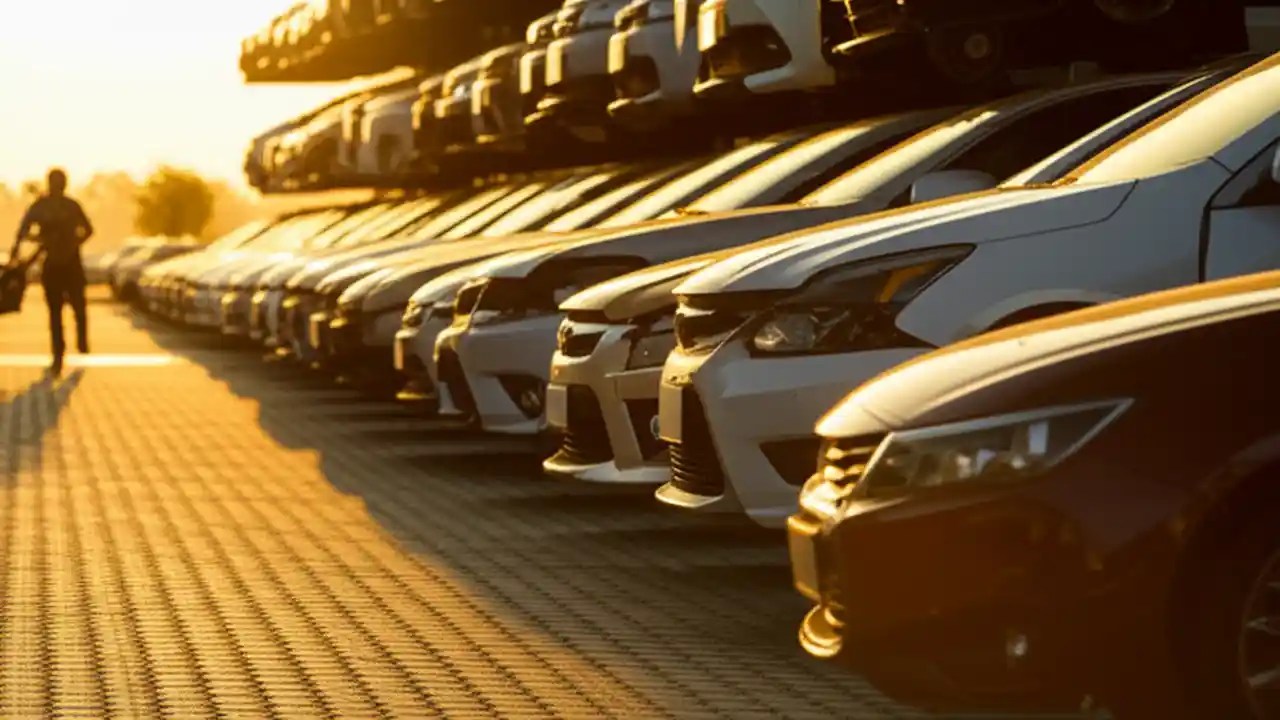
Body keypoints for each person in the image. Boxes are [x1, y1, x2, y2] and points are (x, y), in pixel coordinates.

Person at [11, 169, 94, 376]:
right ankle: (61, 353)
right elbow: (23, 230)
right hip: (56, 264)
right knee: (58, 311)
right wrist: (37, 242)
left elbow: (89, 229)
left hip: (67, 263)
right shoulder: (45, 206)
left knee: (73, 308)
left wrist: (72, 243)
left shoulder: (65, 206)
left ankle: (76, 345)